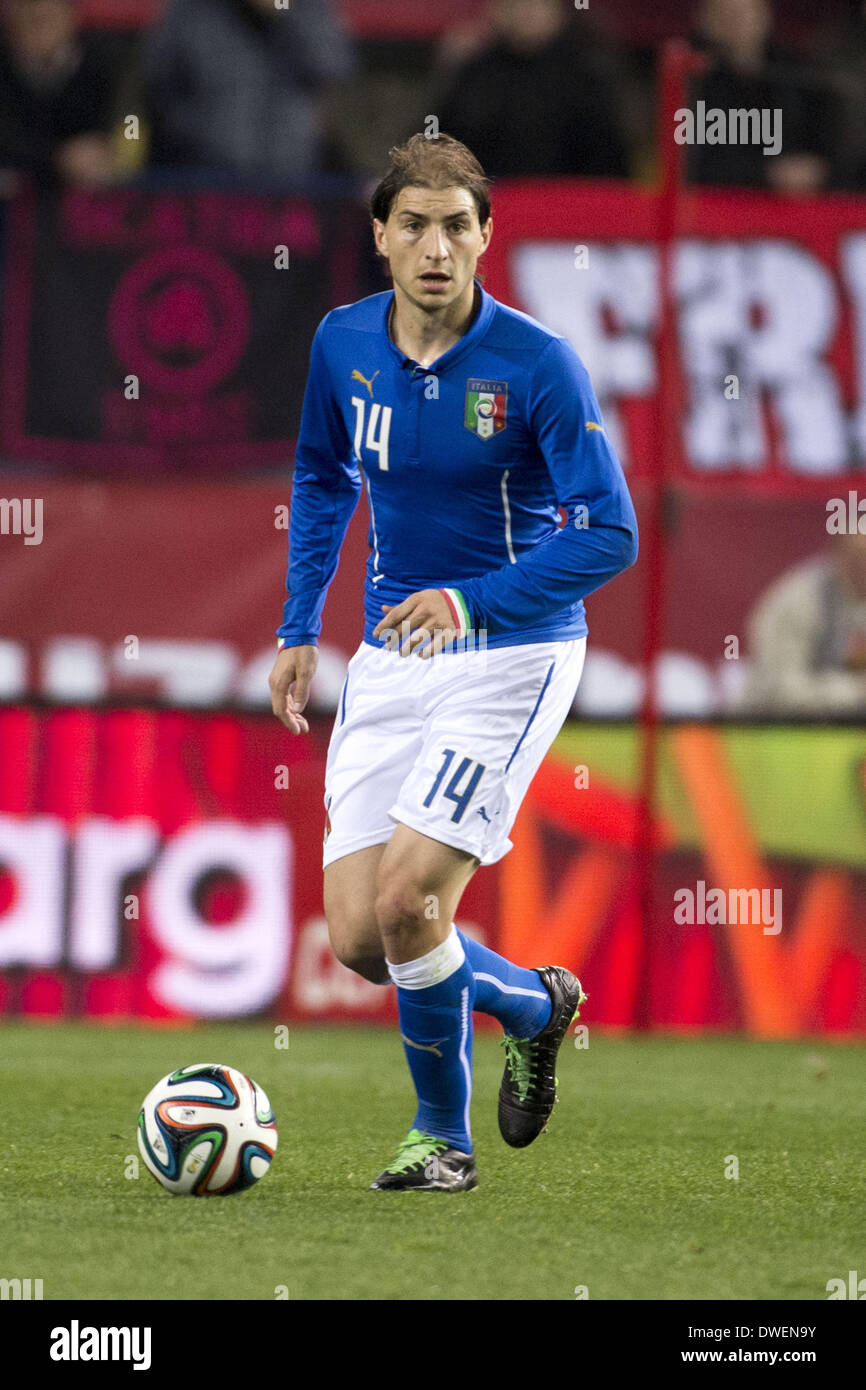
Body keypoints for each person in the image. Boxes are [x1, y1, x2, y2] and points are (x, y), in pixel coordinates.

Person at [268, 133, 638, 1191]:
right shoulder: (341, 344)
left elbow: (608, 533)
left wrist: (471, 601)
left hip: (509, 656)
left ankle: (442, 1139)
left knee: (406, 902)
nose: (437, 247)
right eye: (415, 225)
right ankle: (531, 1002)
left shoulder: (535, 366)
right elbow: (321, 469)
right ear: (380, 236)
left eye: (458, 226)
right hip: (391, 654)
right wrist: (300, 625)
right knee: (355, 938)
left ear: (485, 237)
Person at [142, 0, 353, 180]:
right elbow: (158, 87)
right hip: (205, 179)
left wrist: (282, 10)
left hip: (292, 181)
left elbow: (332, 66)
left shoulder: (307, 6)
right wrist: (199, 138)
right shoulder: (191, 9)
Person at [437, 0, 629, 179]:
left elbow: (610, 165)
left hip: (572, 204)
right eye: (514, 4)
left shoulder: (590, 71)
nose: (526, 11)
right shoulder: (474, 71)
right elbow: (439, 147)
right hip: (490, 203)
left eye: (538, 2)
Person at [688, 0, 836, 195]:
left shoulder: (798, 73)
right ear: (704, 20)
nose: (736, 21)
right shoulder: (694, 80)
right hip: (721, 203)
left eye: (745, 12)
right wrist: (766, 173)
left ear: (766, 15)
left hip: (799, 202)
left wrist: (816, 168)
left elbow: (826, 145)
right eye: (725, 13)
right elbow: (694, 164)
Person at [741, 533, 866, 716]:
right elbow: (783, 694)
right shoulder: (798, 602)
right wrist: (856, 691)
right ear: (837, 555)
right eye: (859, 558)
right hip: (774, 731)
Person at [0, 0, 119, 186]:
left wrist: (118, 150)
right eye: (31, 11)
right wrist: (59, 158)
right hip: (16, 195)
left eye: (52, 10)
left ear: (72, 16)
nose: (41, 14)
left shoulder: (104, 60)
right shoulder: (5, 69)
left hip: (95, 190)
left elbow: (132, 120)